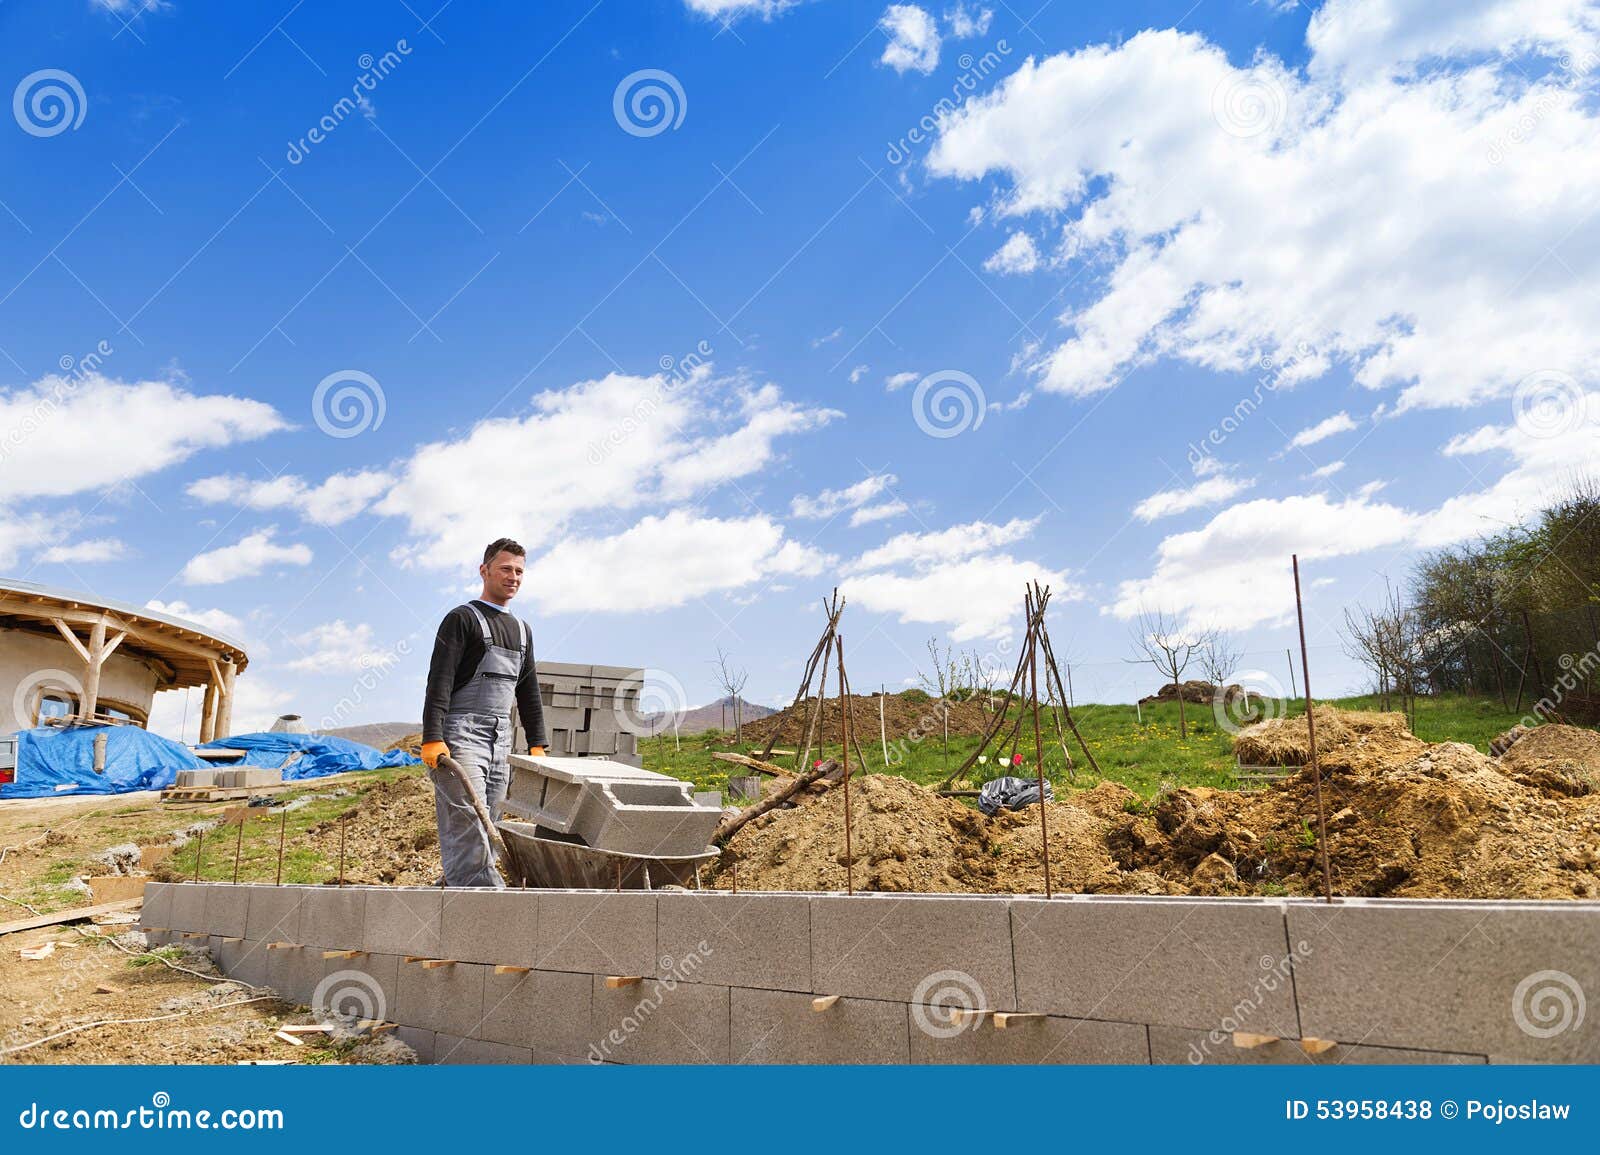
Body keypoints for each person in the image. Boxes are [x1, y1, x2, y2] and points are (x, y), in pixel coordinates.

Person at [420, 538, 548, 887]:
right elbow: (440, 680)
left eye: (519, 571)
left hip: (501, 738)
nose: (513, 577)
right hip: (461, 735)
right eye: (505, 569)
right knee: (469, 824)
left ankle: (455, 898)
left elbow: (528, 691)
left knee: (490, 824)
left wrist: (537, 743)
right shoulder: (461, 619)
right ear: (484, 570)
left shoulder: (522, 630)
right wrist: (432, 737)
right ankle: (487, 903)